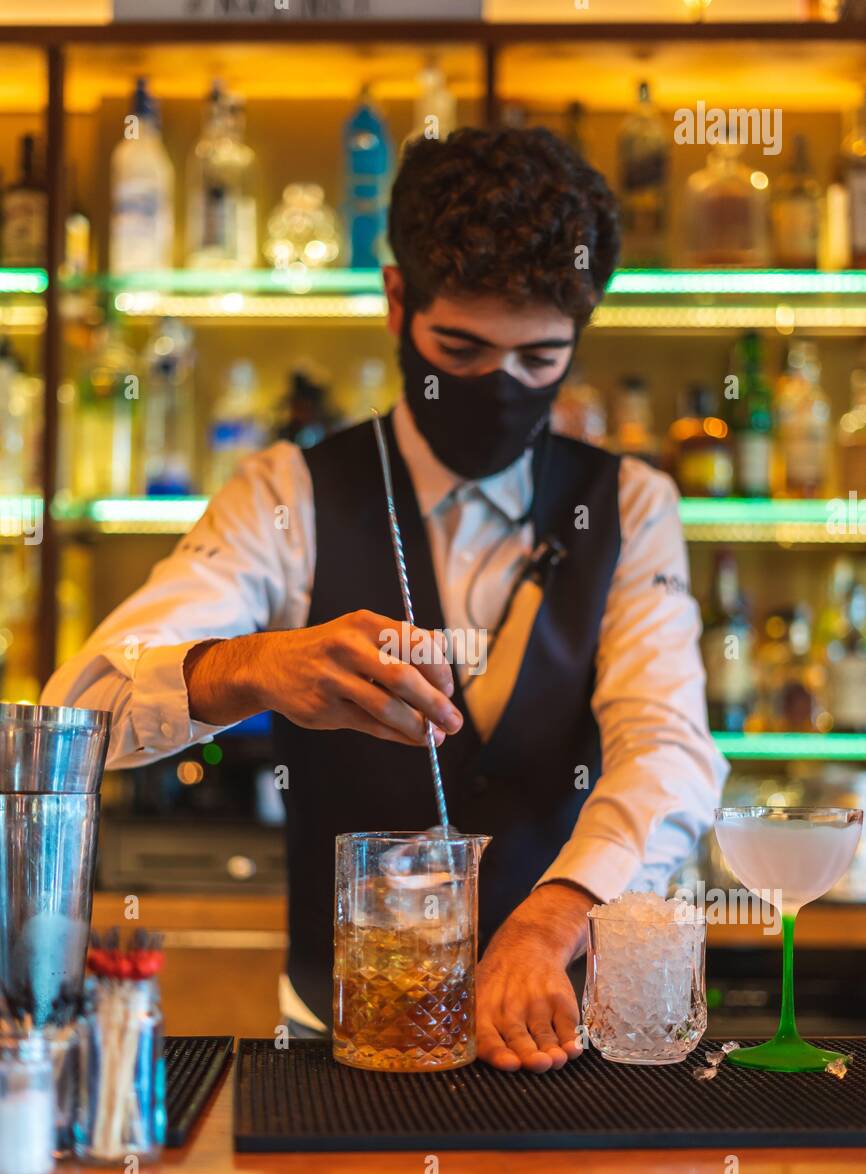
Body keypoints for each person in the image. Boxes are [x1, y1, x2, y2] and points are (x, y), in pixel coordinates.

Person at [44, 126, 727, 1072]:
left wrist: (555, 916)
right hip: (337, 1044)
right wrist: (250, 667)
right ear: (397, 300)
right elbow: (74, 714)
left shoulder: (632, 504)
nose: (501, 386)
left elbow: (669, 746)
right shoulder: (288, 492)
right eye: (464, 348)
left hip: (552, 1035)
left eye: (540, 360)